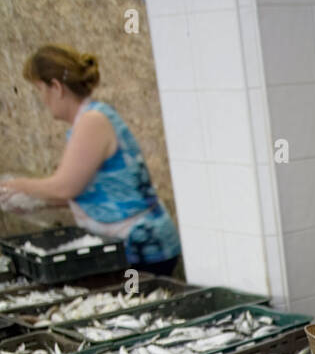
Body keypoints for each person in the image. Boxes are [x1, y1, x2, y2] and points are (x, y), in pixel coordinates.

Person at [0, 45, 181, 276]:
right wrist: (33, 202)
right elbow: (90, 192)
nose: (42, 101)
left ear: (56, 87)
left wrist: (17, 186)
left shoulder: (92, 121)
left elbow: (64, 187)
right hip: (127, 248)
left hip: (144, 249)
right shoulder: (85, 122)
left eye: (39, 90)